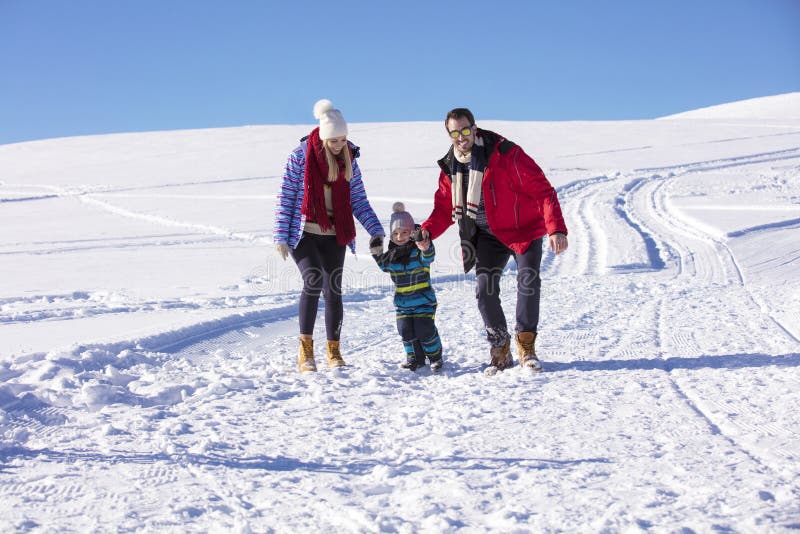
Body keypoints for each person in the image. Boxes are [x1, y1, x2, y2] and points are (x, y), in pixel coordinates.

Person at [417, 107, 568, 373]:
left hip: (524, 229)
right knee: (484, 291)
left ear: (474, 128)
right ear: (449, 134)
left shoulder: (506, 154)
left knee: (528, 279)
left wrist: (555, 228)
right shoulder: (451, 167)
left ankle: (526, 346)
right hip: (487, 234)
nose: (461, 137)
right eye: (455, 133)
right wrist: (427, 231)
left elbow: (543, 191)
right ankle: (499, 347)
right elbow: (443, 208)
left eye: (465, 130)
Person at [273, 99, 385, 373]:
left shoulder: (349, 161)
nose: (339, 145)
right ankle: (306, 351)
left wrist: (376, 230)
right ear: (324, 138)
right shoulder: (300, 158)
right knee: (312, 279)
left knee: (333, 290)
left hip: (336, 233)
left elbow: (358, 200)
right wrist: (280, 236)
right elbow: (286, 198)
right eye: (334, 140)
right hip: (304, 233)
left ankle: (333, 351)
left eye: (343, 139)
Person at [373, 202, 443, 372]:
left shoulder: (418, 251)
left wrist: (425, 246)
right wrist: (376, 250)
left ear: (412, 232)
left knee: (424, 330)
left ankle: (435, 356)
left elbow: (429, 256)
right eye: (395, 233)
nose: (399, 237)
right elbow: (383, 265)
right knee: (405, 331)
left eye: (404, 232)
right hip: (403, 304)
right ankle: (414, 358)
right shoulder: (392, 256)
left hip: (424, 302)